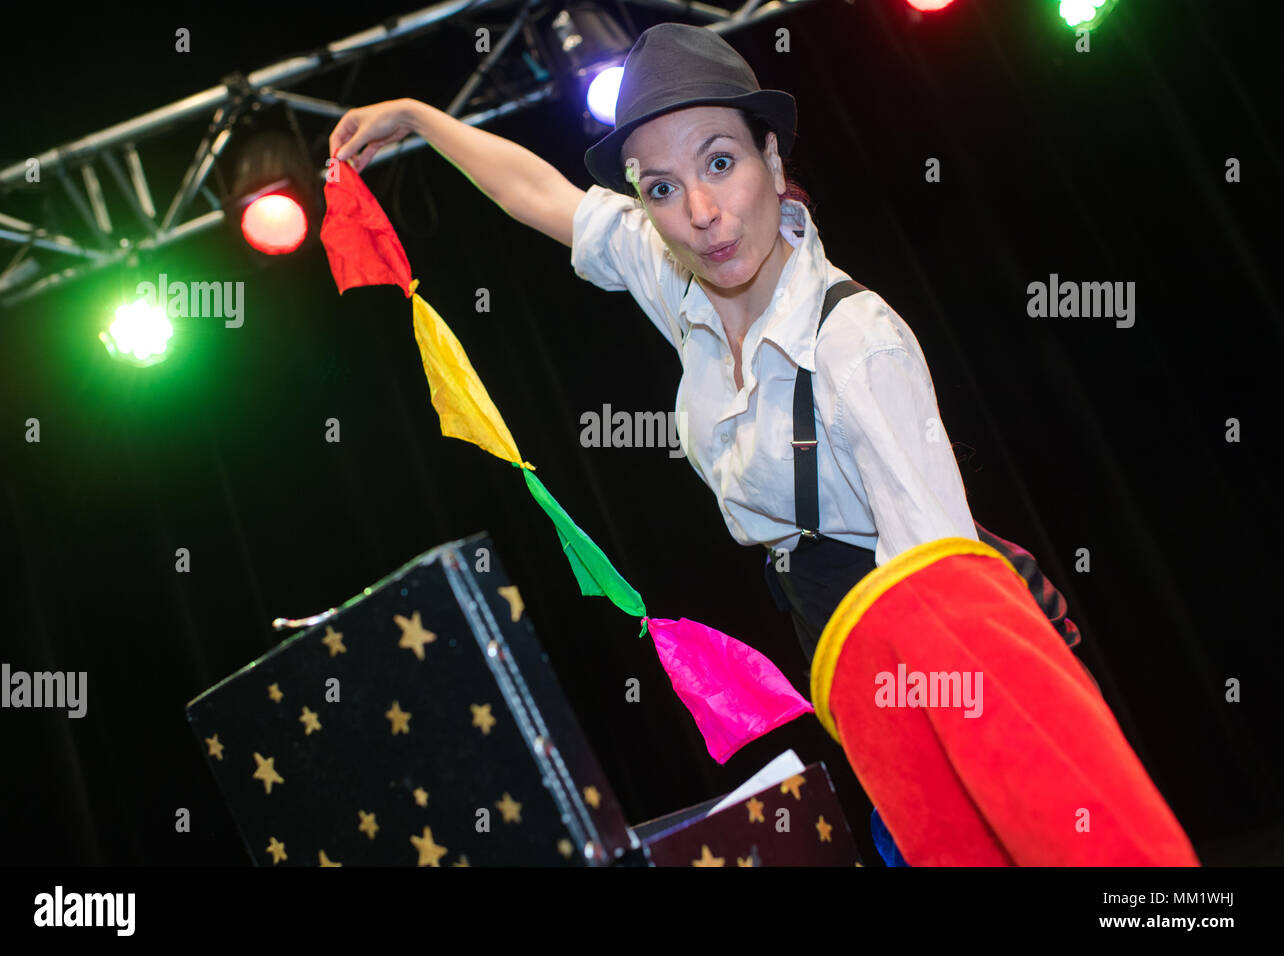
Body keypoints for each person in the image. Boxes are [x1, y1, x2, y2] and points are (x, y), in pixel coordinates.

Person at [330, 22, 1084, 864]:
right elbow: (538, 194)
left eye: (720, 162)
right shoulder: (671, 271)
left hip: (936, 663)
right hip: (840, 648)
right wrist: (423, 118)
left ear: (772, 156)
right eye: (660, 187)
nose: (699, 212)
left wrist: (944, 757)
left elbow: (944, 586)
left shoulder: (853, 343)